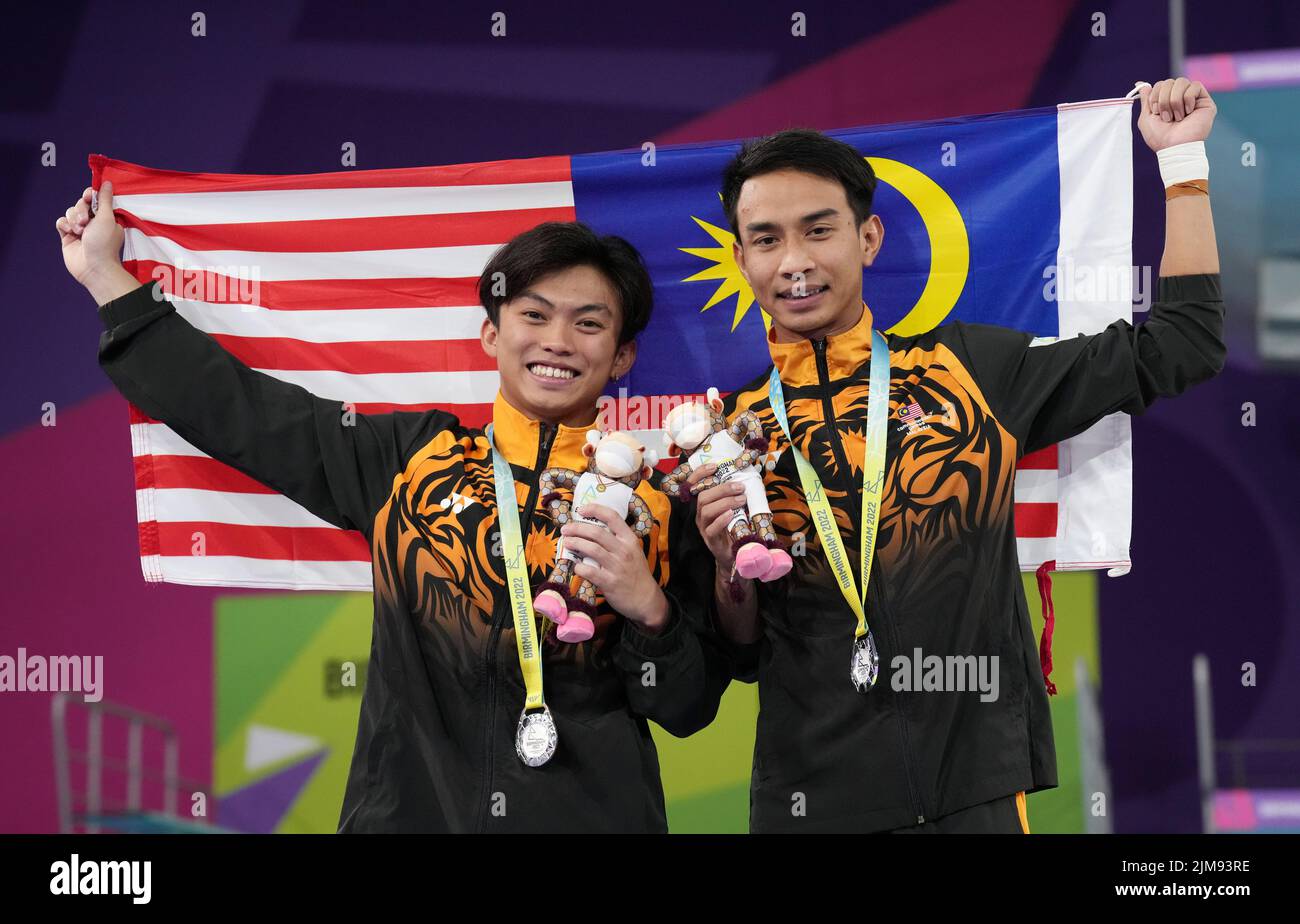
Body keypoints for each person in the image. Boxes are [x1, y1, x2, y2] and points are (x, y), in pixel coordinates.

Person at [57, 190, 730, 832]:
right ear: (492, 335)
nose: (557, 340)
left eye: (589, 323)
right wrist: (104, 277)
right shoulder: (413, 461)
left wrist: (650, 610)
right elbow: (245, 415)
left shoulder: (659, 505)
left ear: (622, 356)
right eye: (533, 314)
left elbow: (687, 708)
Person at [683, 77, 1226, 832]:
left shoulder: (969, 369)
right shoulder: (727, 434)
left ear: (867, 239)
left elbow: (1181, 346)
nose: (794, 260)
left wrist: (1181, 165)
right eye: (767, 239)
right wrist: (723, 570)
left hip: (971, 789)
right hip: (808, 800)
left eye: (819, 229)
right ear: (740, 259)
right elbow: (738, 655)